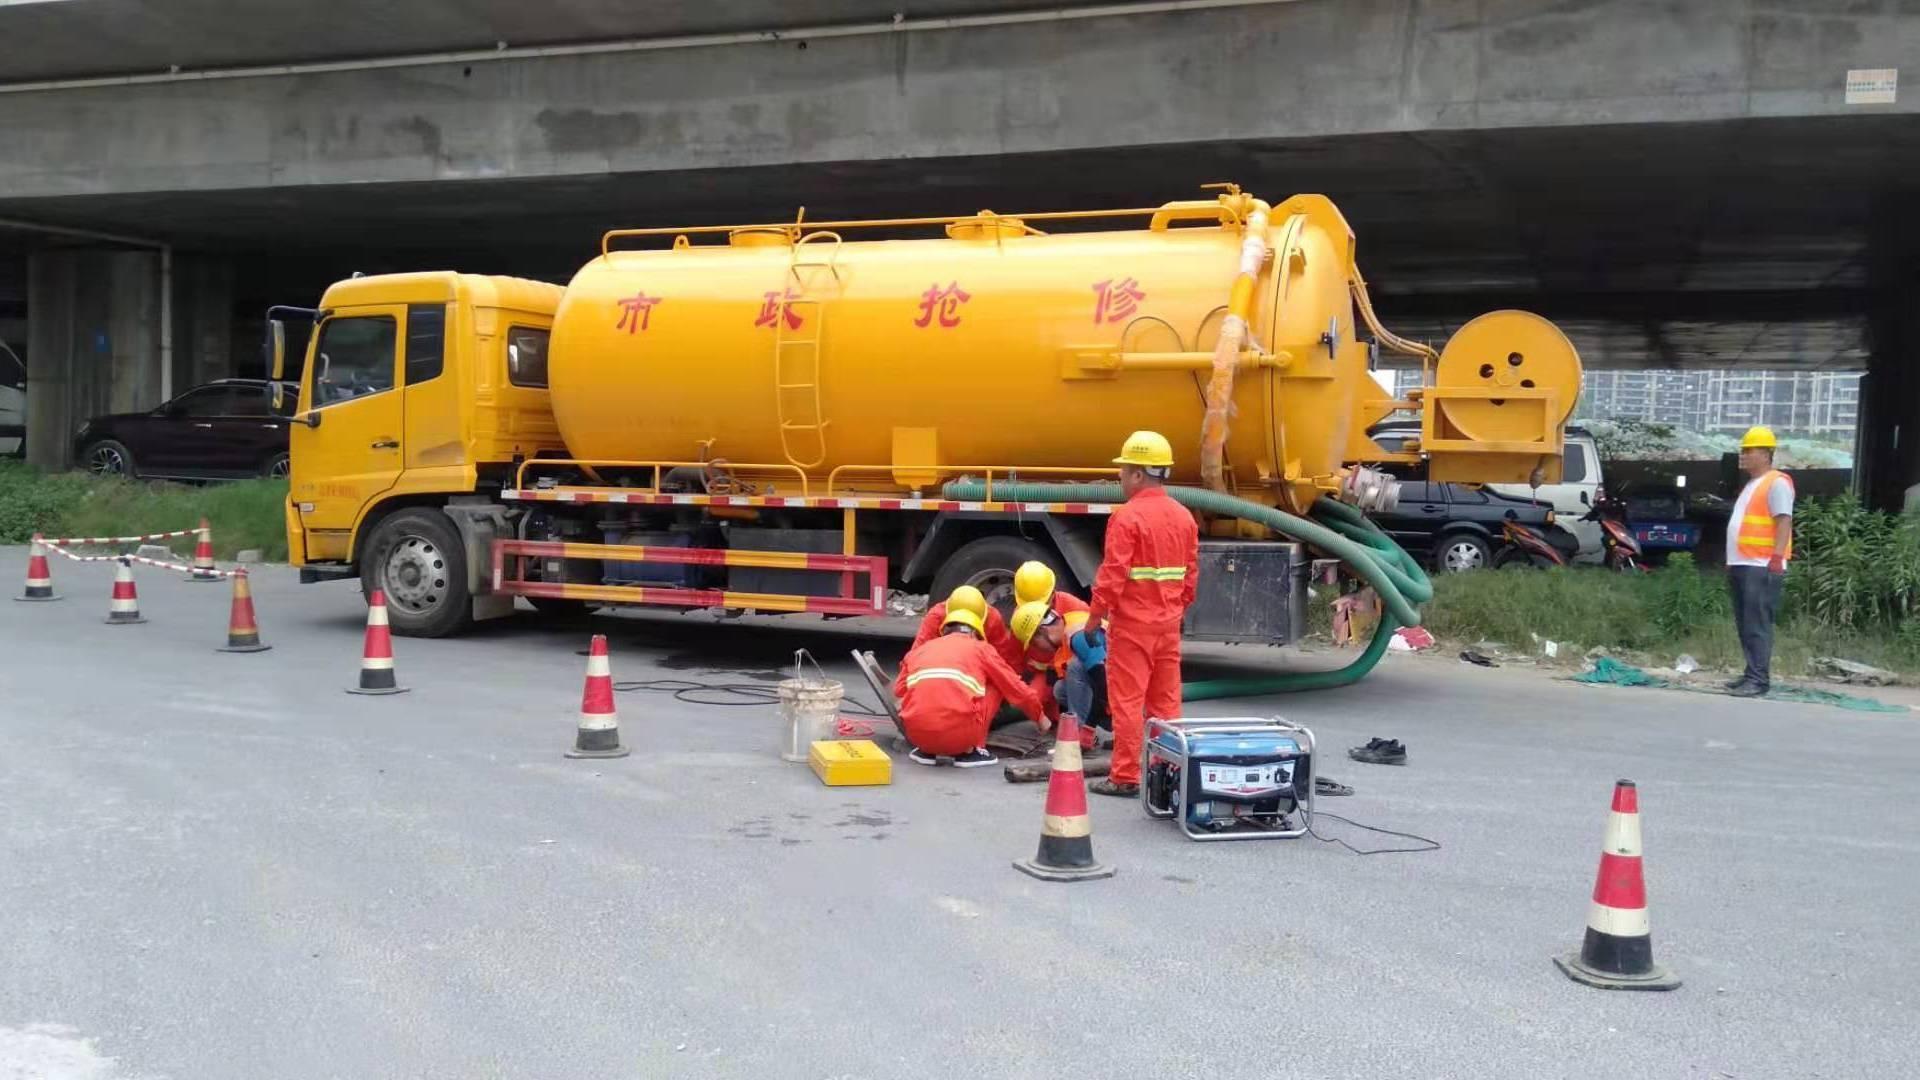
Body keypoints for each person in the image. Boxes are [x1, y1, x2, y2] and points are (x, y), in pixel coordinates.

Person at [1082, 430, 1199, 797]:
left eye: (1123, 470)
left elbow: (1113, 575)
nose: (1119, 477)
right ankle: (1167, 773)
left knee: (1128, 703)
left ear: (1137, 474)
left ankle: (1125, 776)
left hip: (1133, 626)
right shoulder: (1183, 517)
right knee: (1166, 702)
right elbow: (1190, 576)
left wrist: (1093, 618)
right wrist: (1175, 610)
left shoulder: (1127, 518)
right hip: (1167, 624)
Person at [892, 606, 1046, 767]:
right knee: (997, 683)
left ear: (944, 631)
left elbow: (899, 690)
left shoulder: (921, 650)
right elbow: (1016, 689)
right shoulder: (981, 648)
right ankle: (973, 750)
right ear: (973, 633)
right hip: (960, 739)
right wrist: (1040, 717)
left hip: (917, 737)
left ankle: (928, 752)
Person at [1725, 426, 1794, 698]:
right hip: (1744, 563)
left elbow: (1784, 521)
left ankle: (1758, 680)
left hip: (1761, 565)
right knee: (1745, 623)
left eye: (1748, 450)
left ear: (1766, 454)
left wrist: (1776, 557)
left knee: (1757, 624)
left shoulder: (1776, 483)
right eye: (1742, 450)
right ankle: (1750, 674)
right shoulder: (1752, 484)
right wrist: (1733, 560)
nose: (1742, 455)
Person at [1009, 601, 1101, 747]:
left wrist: (1088, 728)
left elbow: (1104, 684)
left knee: (1075, 668)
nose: (1038, 648)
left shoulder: (1078, 637)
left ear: (1042, 631)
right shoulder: (1068, 629)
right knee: (1061, 688)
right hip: (1116, 684)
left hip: (1125, 688)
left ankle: (1078, 734)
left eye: (1034, 643)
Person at [911, 584, 1022, 670]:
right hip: (943, 666)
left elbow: (1004, 658)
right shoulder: (936, 616)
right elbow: (917, 655)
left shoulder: (992, 618)